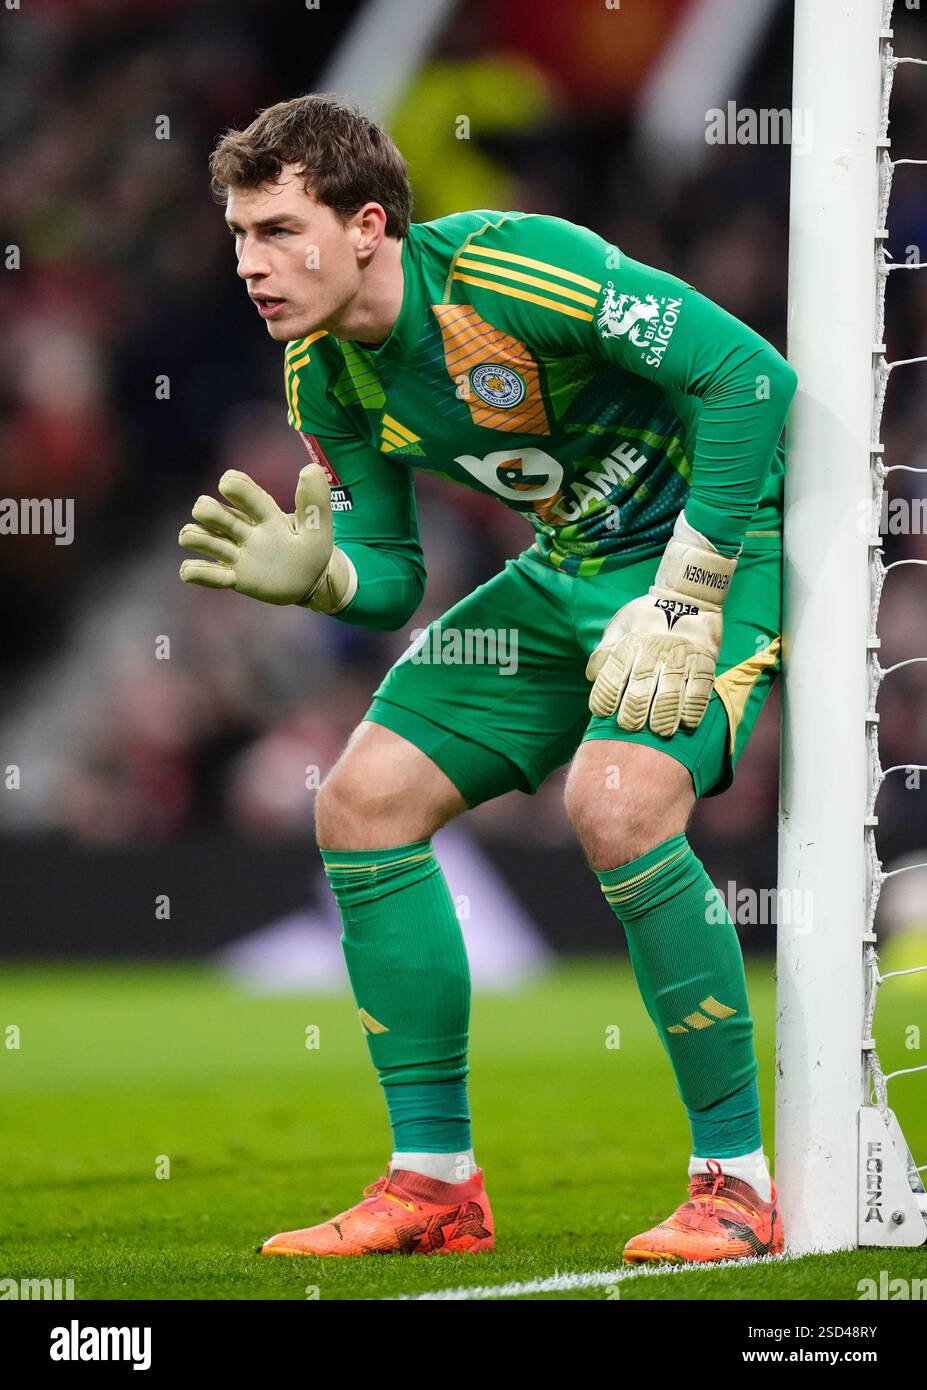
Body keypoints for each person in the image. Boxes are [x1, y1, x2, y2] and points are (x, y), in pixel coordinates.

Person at [179, 93, 797, 1263]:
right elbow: (394, 575)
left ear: (368, 225)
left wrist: (689, 588)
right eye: (241, 236)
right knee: (361, 803)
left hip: (724, 548)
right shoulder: (322, 375)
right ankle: (435, 1187)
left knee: (616, 804)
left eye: (278, 230)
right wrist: (323, 579)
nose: (251, 264)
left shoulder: (517, 270)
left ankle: (737, 1183)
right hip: (569, 570)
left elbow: (751, 378)